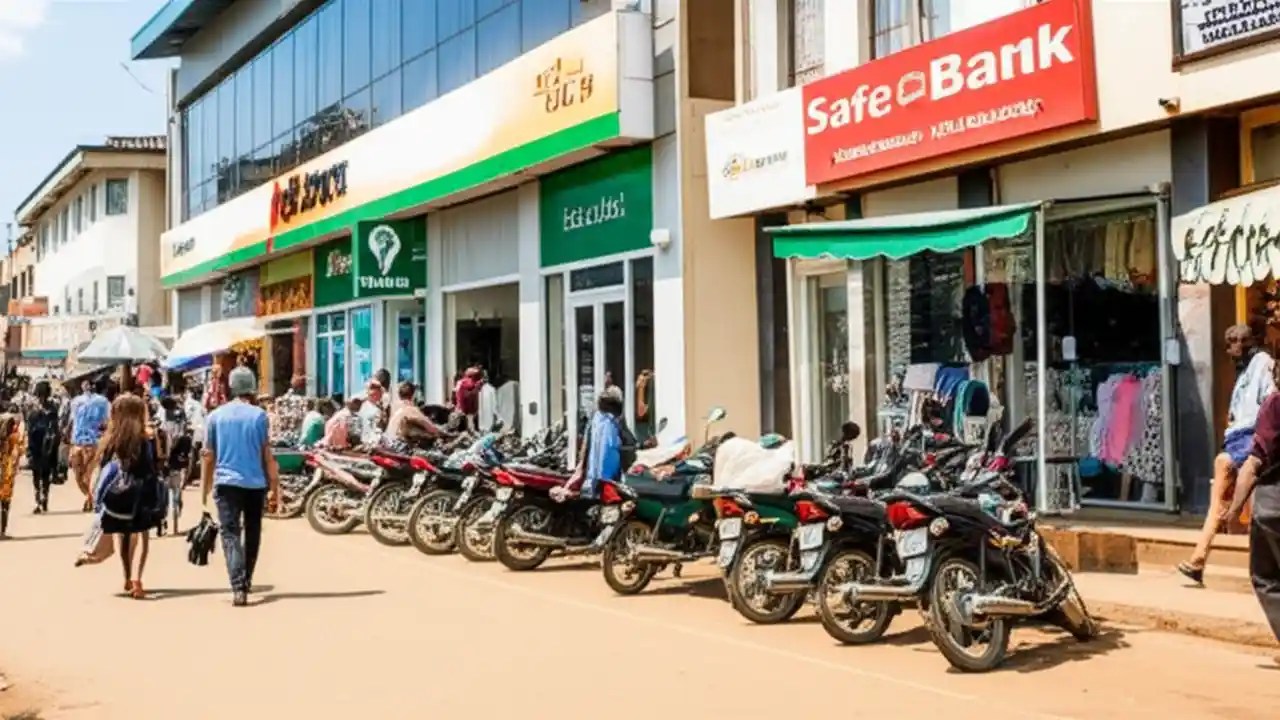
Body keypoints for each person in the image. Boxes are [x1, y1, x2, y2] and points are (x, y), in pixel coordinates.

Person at [1181, 324, 1277, 583]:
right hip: (1238, 444)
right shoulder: (1246, 370)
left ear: (1251, 341)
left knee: (1254, 509)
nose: (1234, 347)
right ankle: (1197, 560)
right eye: (1230, 341)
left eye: (1238, 341)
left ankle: (1199, 560)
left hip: (1251, 443)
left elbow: (1269, 403)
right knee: (1224, 506)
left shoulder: (1261, 364)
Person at [202, 366, 280, 606]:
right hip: (255, 484)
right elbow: (267, 455)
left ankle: (238, 587)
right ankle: (246, 579)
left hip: (226, 484)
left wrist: (204, 490)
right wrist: (275, 487)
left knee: (230, 533)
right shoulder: (259, 416)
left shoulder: (215, 417)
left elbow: (208, 456)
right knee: (253, 531)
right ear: (252, 389)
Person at [1221, 365, 1280, 651]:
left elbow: (1254, 464)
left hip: (1273, 505)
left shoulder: (1274, 405)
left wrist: (1234, 510)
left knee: (1266, 576)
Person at [92, 394, 164, 598]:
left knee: (121, 535)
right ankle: (137, 579)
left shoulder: (111, 439)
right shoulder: (147, 437)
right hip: (144, 494)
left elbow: (104, 468)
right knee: (142, 537)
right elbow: (156, 463)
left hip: (117, 496)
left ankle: (125, 575)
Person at [567, 386, 637, 499]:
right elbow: (618, 446)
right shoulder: (612, 423)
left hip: (592, 477)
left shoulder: (596, 419)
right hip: (607, 479)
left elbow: (587, 445)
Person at [69, 378, 111, 512]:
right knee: (84, 474)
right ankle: (90, 497)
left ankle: (89, 498)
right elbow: (106, 422)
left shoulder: (100, 402)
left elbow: (72, 420)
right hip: (86, 441)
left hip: (85, 442)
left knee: (82, 475)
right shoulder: (78, 401)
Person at [25, 381, 61, 514]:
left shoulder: (46, 409)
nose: (42, 398)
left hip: (44, 445)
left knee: (42, 474)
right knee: (40, 474)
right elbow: (29, 430)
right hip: (40, 445)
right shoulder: (42, 409)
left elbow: (55, 428)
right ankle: (40, 500)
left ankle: (41, 499)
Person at [384, 383, 439, 450]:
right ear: (413, 396)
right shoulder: (410, 408)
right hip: (399, 447)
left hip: (388, 444)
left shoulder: (394, 407)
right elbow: (432, 428)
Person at [0, 411, 24, 539]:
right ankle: (2, 530)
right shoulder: (13, 438)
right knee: (5, 503)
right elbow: (19, 451)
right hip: (6, 476)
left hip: (7, 474)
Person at [184, 386, 207, 487]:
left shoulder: (191, 403)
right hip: (198, 431)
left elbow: (188, 416)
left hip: (195, 431)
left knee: (192, 454)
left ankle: (190, 477)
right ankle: (195, 477)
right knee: (197, 454)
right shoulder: (197, 404)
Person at [357, 381, 386, 446]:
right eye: (380, 394)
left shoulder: (362, 405)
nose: (381, 396)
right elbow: (373, 428)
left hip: (362, 440)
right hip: (369, 441)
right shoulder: (375, 409)